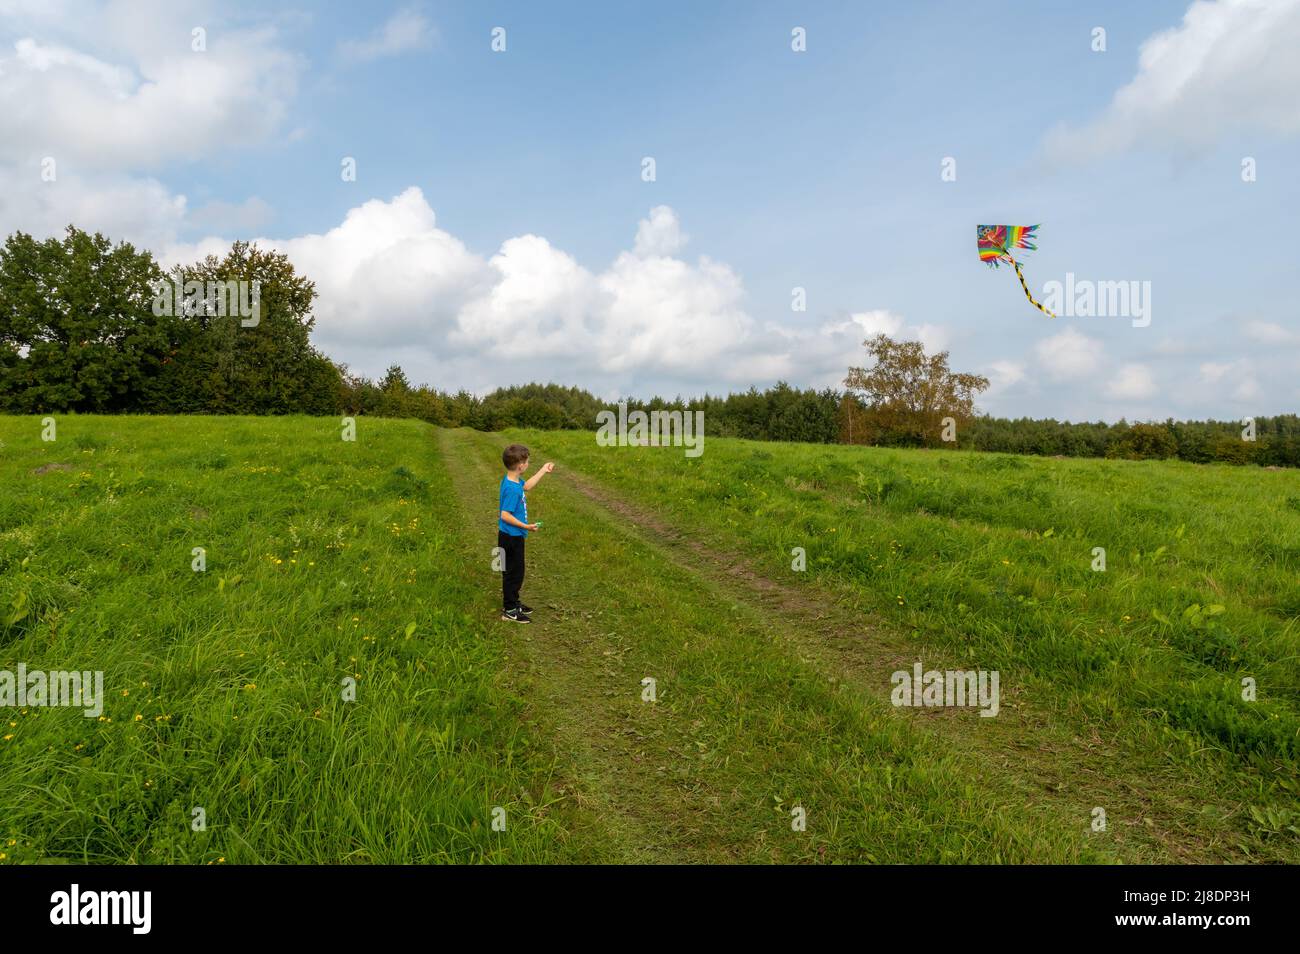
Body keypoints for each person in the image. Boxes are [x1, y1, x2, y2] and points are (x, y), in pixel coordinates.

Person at [498, 443, 554, 623]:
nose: (528, 464)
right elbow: (505, 515)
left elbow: (527, 486)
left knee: (515, 570)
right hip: (511, 537)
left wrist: (543, 470)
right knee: (513, 573)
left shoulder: (512, 481)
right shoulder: (512, 489)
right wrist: (526, 526)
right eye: (528, 461)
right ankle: (510, 610)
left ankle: (513, 602)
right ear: (521, 465)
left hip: (512, 536)